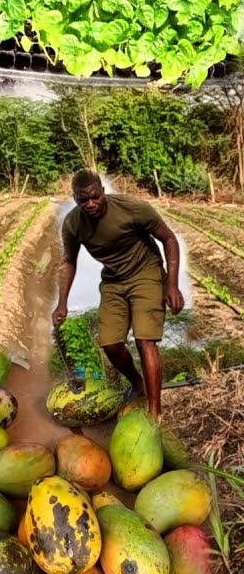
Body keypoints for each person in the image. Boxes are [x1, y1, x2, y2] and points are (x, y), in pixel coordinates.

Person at [53, 169, 184, 418]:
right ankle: (138, 383)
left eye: (94, 197)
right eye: (83, 200)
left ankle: (155, 413)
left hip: (146, 273)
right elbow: (69, 261)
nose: (90, 204)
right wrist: (62, 303)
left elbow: (169, 239)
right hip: (113, 281)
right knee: (111, 343)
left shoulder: (132, 208)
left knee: (145, 340)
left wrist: (172, 284)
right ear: (75, 198)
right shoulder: (73, 223)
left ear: (102, 191)